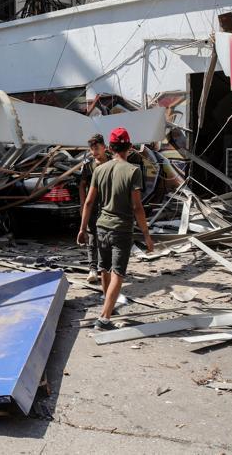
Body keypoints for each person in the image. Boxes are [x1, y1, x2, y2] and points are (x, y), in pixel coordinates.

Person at [77, 127, 155, 331]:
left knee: (104, 269)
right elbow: (137, 207)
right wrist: (146, 235)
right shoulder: (133, 171)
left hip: (101, 226)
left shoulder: (99, 170)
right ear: (129, 147)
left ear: (110, 148)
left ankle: (107, 308)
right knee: (118, 273)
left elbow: (88, 202)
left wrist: (82, 228)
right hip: (121, 229)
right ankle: (103, 318)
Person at [78, 133, 109, 284]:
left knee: (106, 237)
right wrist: (83, 205)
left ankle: (105, 268)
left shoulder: (112, 163)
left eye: (97, 148)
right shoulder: (88, 164)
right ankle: (92, 269)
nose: (94, 151)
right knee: (91, 237)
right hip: (92, 205)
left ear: (104, 147)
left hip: (108, 206)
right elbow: (82, 185)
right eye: (92, 149)